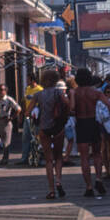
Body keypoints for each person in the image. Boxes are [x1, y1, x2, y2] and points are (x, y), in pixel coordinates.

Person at [68, 67, 110, 197]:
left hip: (81, 123)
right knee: (97, 154)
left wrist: (71, 96)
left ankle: (88, 187)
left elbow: (71, 109)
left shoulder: (74, 92)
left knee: (84, 158)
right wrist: (106, 118)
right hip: (94, 122)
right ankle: (98, 179)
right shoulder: (96, 92)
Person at [36, 68, 69, 198]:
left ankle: (51, 190)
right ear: (56, 80)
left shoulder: (38, 94)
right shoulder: (59, 92)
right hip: (58, 127)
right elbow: (68, 105)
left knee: (48, 160)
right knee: (58, 157)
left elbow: (27, 112)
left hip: (44, 128)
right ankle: (59, 181)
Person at [0, 83, 21, 165]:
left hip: (5, 121)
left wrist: (12, 117)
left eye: (2, 90)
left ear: (6, 91)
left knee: (6, 142)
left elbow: (18, 109)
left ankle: (5, 159)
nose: (0, 92)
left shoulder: (9, 99)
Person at [19, 78, 43, 166]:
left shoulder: (40, 89)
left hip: (36, 116)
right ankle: (25, 158)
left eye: (28, 80)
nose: (27, 82)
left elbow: (38, 103)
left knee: (36, 138)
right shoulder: (28, 89)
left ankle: (37, 158)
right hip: (28, 115)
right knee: (26, 137)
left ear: (33, 80)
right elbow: (24, 101)